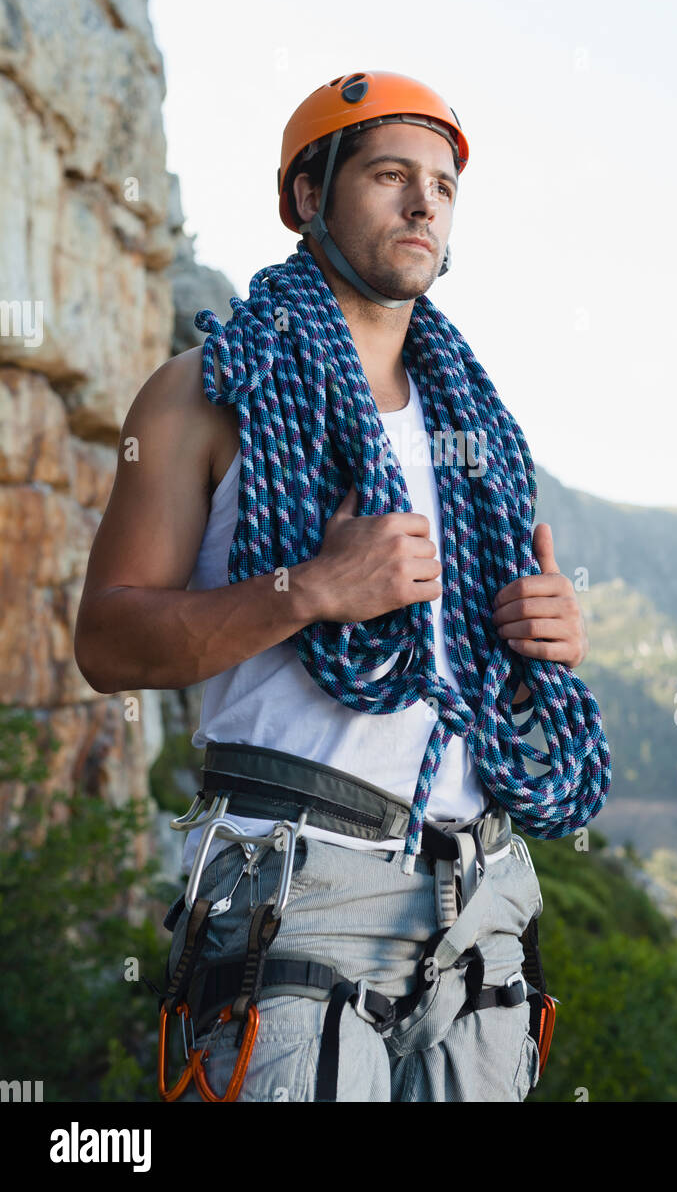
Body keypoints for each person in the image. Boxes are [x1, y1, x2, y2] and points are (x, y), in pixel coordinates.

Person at [74, 70, 595, 1103]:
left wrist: (542, 636)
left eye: (442, 187)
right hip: (293, 892)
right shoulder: (202, 391)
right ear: (306, 197)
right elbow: (108, 641)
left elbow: (474, 667)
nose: (422, 206)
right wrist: (306, 590)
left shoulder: (476, 423)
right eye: (389, 176)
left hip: (482, 897)